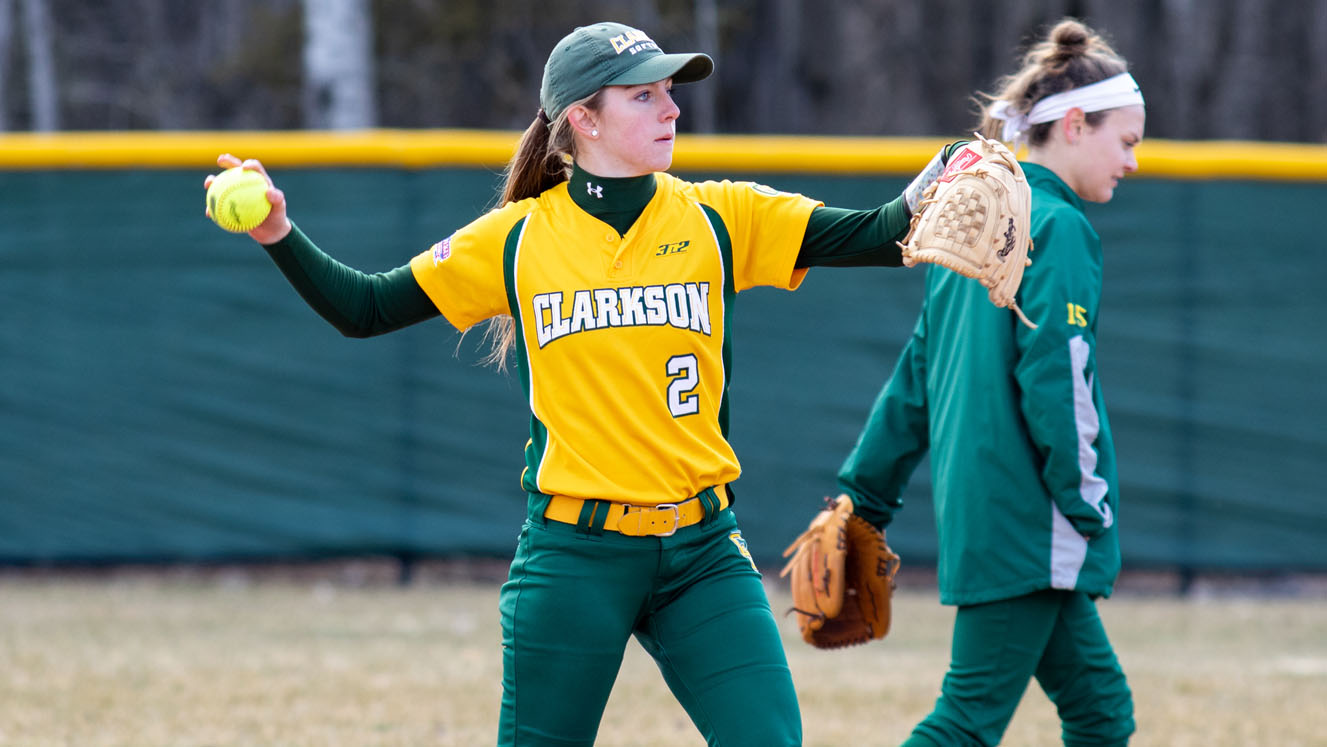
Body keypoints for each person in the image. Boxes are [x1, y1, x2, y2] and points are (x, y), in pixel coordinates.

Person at [205, 21, 954, 747]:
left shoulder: (720, 215)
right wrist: (277, 232)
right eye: (644, 95)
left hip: (701, 551)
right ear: (582, 119)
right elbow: (364, 307)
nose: (671, 108)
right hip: (574, 556)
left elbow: (881, 232)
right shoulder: (518, 237)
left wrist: (941, 177)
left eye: (669, 90)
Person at [833, 18, 1142, 747]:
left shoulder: (975, 216)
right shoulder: (1056, 226)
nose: (1132, 160)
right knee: (965, 721)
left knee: (1100, 711)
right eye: (1125, 140)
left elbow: (916, 376)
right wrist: (1086, 494)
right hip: (1029, 517)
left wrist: (865, 495)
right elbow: (1056, 375)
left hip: (988, 512)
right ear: (1073, 124)